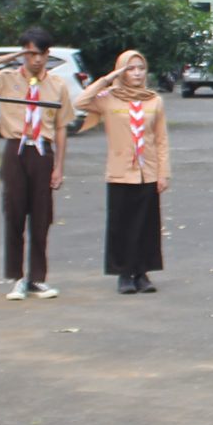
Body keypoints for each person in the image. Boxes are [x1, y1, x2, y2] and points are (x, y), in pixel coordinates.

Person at [0, 30, 74, 300]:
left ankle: (37, 278)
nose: (36, 60)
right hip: (15, 148)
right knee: (14, 212)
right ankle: (17, 277)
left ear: (48, 54)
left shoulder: (57, 84)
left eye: (41, 54)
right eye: (30, 53)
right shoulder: (6, 80)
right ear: (23, 53)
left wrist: (59, 166)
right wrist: (3, 60)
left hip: (42, 150)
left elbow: (61, 129)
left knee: (41, 215)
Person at [78, 50, 171, 295]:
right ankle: (124, 274)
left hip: (147, 171)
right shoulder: (109, 98)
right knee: (121, 224)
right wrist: (109, 78)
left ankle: (143, 273)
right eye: (130, 68)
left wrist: (163, 173)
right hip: (120, 171)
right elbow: (81, 102)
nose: (137, 73)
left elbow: (161, 139)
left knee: (146, 225)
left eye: (141, 67)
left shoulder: (154, 101)